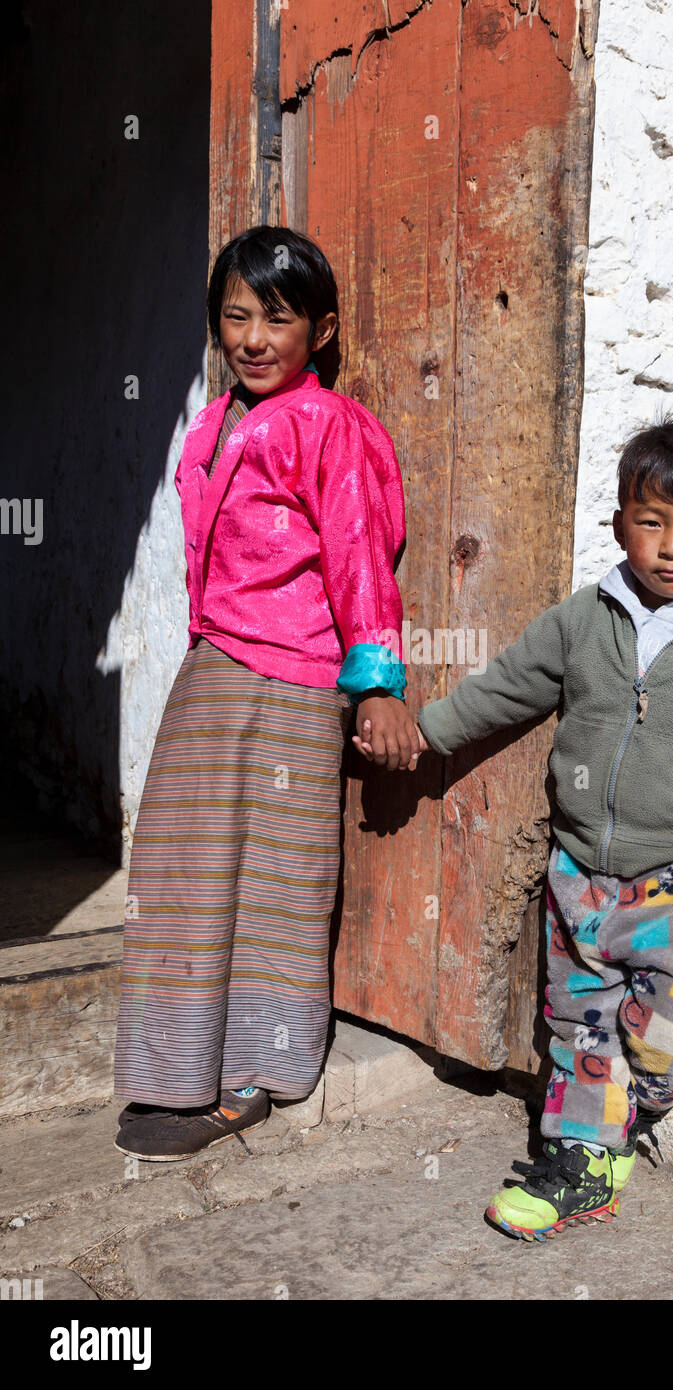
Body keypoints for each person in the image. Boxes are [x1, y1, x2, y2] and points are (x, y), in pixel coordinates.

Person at [356, 414, 673, 1241]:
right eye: (651, 522)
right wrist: (428, 730)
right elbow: (510, 685)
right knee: (577, 1023)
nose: (672, 546)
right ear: (619, 523)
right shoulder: (586, 618)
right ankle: (584, 1165)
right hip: (579, 875)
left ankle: (621, 1111)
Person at [113, 225, 420, 1161]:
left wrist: (376, 683)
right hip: (212, 671)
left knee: (278, 878)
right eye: (235, 315)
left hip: (292, 681)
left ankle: (255, 1074)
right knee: (179, 866)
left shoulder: (328, 425)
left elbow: (362, 556)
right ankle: (175, 1067)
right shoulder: (213, 425)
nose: (252, 337)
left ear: (320, 331)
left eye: (276, 318)